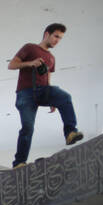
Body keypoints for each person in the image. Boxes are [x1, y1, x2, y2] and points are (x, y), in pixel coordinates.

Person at [9, 23, 82, 168]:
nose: (57, 40)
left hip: (43, 90)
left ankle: (70, 133)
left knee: (65, 97)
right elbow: (12, 65)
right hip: (25, 93)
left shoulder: (52, 58)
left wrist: (52, 100)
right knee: (27, 128)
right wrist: (31, 63)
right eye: (55, 36)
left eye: (60, 38)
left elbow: (48, 77)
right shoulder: (30, 47)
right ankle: (19, 163)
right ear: (46, 34)